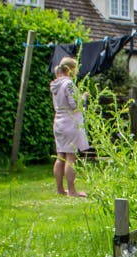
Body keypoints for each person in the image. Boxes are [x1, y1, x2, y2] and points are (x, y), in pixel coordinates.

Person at [50, 57, 89, 197]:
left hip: (59, 122)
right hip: (70, 123)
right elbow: (74, 105)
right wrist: (83, 97)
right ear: (70, 69)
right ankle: (72, 191)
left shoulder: (55, 84)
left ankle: (60, 189)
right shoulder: (69, 84)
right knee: (71, 157)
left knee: (60, 156)